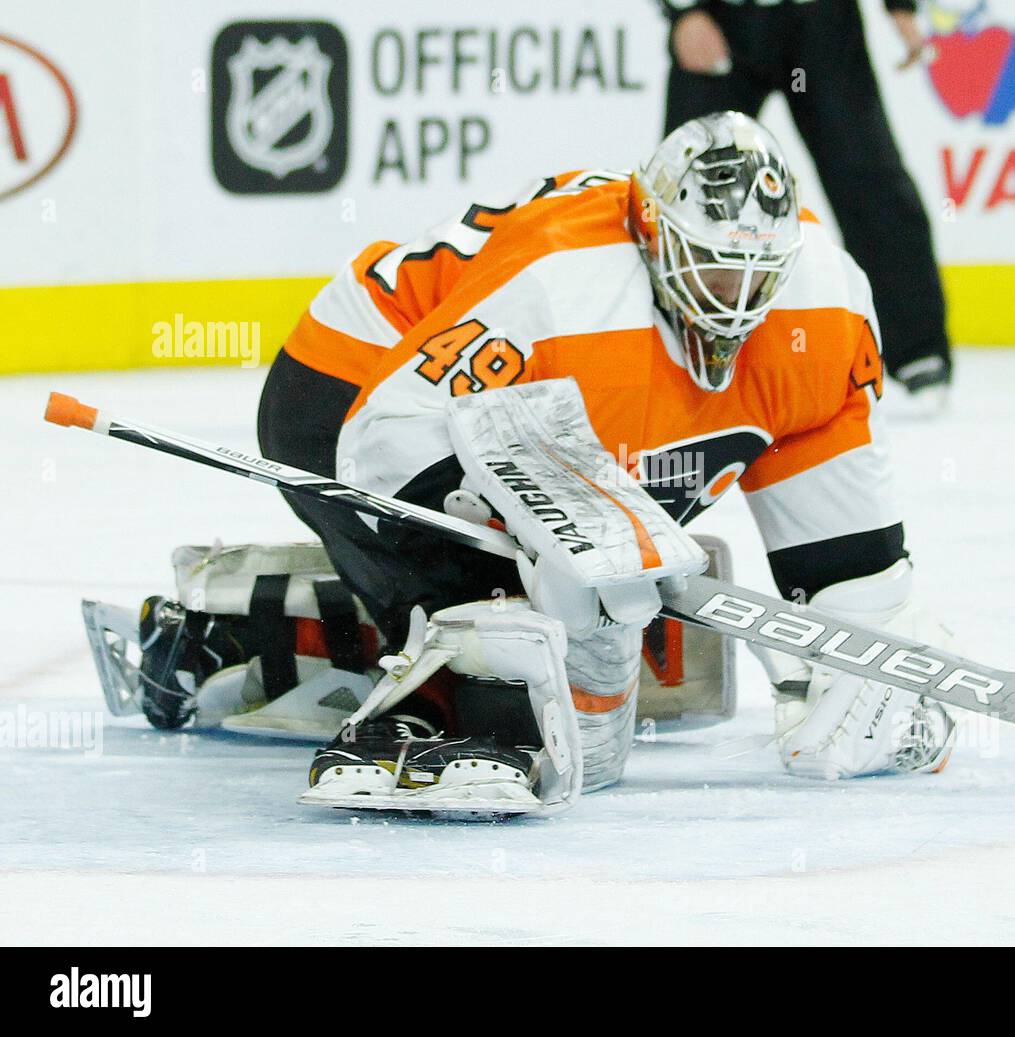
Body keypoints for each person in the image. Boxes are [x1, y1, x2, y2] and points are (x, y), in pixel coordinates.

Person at [144, 112, 956, 815]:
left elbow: (844, 552)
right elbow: (384, 440)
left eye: (756, 274)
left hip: (566, 428)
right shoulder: (562, 287)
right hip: (362, 380)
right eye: (710, 264)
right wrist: (523, 559)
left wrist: (879, 647)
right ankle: (426, 694)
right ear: (652, 232)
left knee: (637, 651)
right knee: (520, 650)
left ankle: (257, 626)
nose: (732, 300)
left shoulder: (824, 305)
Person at [661, 0, 953, 396]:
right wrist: (685, 12)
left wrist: (900, 8)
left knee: (867, 175)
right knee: (694, 187)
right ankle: (680, 351)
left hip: (821, 19)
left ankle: (916, 352)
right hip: (717, 15)